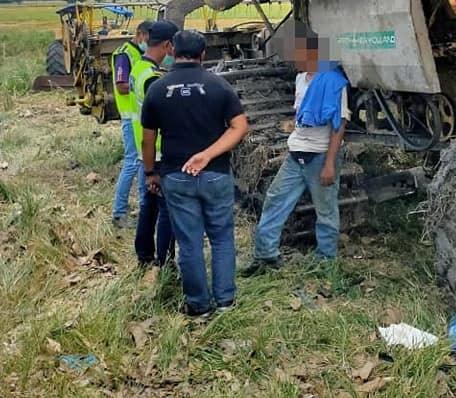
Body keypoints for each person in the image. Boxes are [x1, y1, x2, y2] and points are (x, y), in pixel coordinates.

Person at [140, 29, 249, 317]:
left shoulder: (157, 89)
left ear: (173, 51)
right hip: (216, 175)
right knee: (222, 238)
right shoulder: (218, 86)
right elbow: (239, 127)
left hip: (175, 176)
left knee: (189, 242)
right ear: (203, 54)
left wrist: (151, 172)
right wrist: (208, 155)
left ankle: (199, 306)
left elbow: (147, 140)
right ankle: (225, 301)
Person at [241, 22, 348, 276]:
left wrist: (330, 163)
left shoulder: (334, 82)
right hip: (296, 154)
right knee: (275, 200)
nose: (291, 60)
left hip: (320, 157)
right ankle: (265, 256)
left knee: (326, 211)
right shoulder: (301, 79)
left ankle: (327, 262)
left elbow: (339, 125)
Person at [130, 19, 178, 268]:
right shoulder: (152, 78)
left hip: (145, 153)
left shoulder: (138, 68)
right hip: (158, 153)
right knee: (166, 210)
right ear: (169, 46)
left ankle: (145, 255)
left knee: (149, 206)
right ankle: (164, 261)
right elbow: (162, 117)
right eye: (175, 48)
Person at [111, 19, 155, 228]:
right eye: (148, 38)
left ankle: (144, 207)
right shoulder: (124, 54)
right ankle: (119, 213)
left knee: (141, 162)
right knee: (131, 163)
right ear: (139, 34)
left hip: (139, 117)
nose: (149, 42)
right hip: (130, 117)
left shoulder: (137, 53)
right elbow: (121, 86)